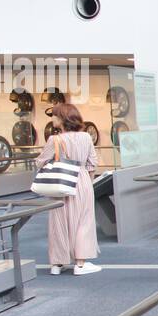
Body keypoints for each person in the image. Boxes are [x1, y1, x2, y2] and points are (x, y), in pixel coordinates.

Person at [35, 102, 101, 275]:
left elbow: (40, 162)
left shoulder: (54, 140)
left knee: (58, 223)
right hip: (82, 180)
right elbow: (92, 163)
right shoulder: (86, 137)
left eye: (55, 115)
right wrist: (88, 183)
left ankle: (57, 264)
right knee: (83, 222)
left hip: (60, 183)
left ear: (62, 118)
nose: (52, 119)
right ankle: (80, 264)